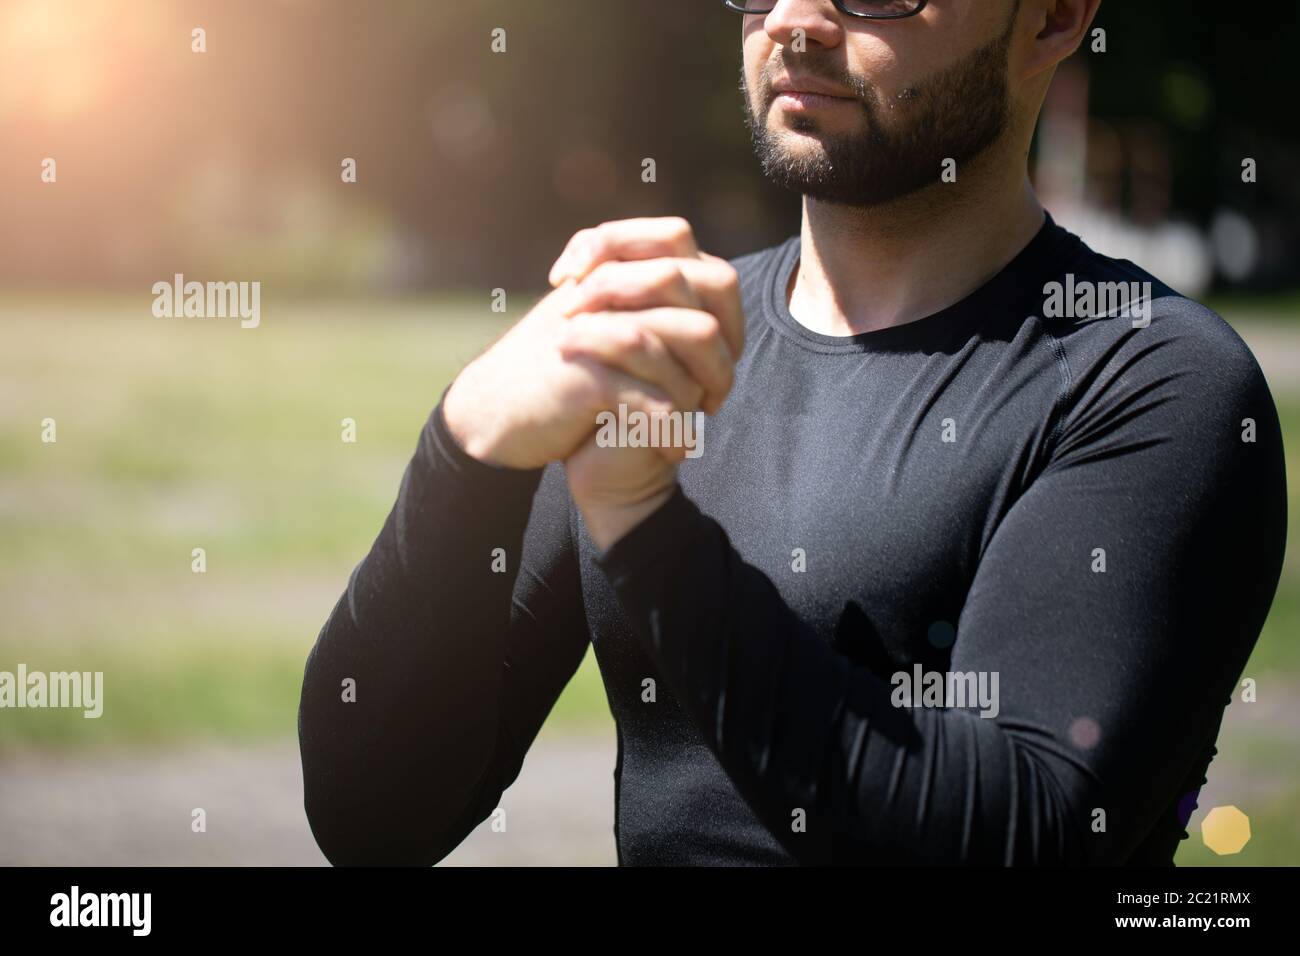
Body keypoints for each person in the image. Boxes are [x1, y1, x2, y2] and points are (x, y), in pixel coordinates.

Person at [298, 0, 1287, 865]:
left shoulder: (1152, 381)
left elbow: (1028, 830)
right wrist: (464, 445)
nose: (795, 19)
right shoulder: (665, 348)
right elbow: (375, 818)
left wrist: (650, 537)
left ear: (1054, 16)